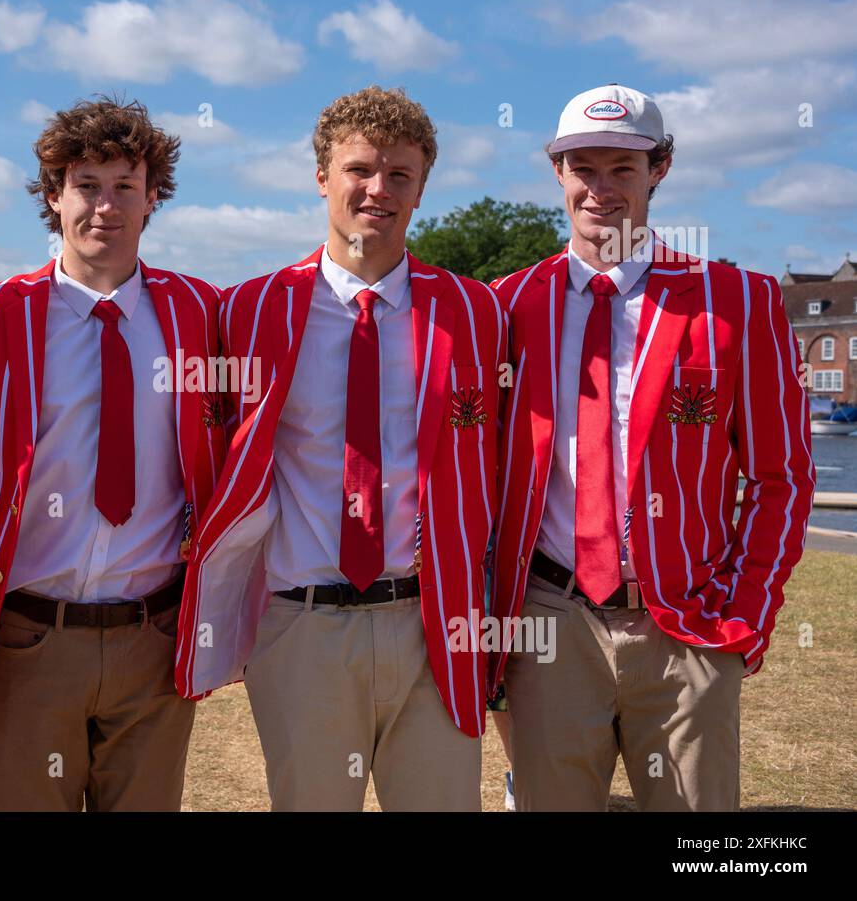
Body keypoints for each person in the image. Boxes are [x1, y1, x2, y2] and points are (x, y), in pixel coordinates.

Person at [489, 84, 816, 811]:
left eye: (623, 169)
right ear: (557, 170)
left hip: (688, 625)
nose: (600, 189)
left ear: (660, 168)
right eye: (583, 168)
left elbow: (781, 479)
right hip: (551, 621)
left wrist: (744, 617)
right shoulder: (506, 305)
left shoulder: (739, 300)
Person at [178, 86, 504, 810]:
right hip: (302, 625)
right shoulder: (249, 307)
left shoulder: (476, 311)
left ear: (421, 189)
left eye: (400, 176)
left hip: (433, 622)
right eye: (359, 169)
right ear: (322, 176)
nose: (377, 190)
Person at [0, 96, 226, 811]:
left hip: (155, 635)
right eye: (86, 186)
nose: (105, 207)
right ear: (53, 195)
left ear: (152, 198)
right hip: (31, 633)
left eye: (124, 187)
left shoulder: (199, 313)